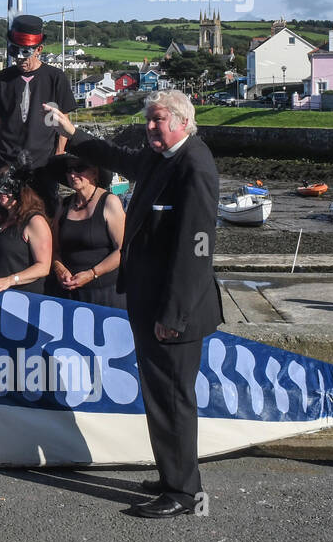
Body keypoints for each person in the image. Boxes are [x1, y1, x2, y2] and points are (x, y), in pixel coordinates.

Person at [44, 90, 223, 518]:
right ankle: (172, 475)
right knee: (159, 395)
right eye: (148, 120)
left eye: (158, 120)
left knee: (174, 398)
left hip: (173, 309)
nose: (149, 127)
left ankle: (182, 494)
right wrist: (71, 132)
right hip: (150, 302)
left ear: (182, 121)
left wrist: (173, 316)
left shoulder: (194, 166)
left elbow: (195, 252)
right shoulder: (160, 158)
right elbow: (116, 155)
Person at [0, 14, 76, 212]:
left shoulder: (56, 78)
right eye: (14, 51)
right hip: (7, 166)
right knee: (7, 221)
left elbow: (64, 124)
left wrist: (58, 157)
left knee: (45, 219)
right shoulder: (1, 79)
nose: (19, 57)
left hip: (43, 166)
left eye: (25, 52)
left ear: (39, 49)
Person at [45, 154, 125, 309]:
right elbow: (54, 249)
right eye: (69, 170)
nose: (73, 174)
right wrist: (59, 268)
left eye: (80, 168)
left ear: (95, 172)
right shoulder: (64, 205)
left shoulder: (110, 202)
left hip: (104, 295)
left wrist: (91, 274)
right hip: (69, 294)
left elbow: (122, 250)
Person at [0, 164, 53, 295]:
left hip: (22, 298)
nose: (2, 193)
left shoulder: (35, 221)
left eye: (8, 188)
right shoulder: (0, 222)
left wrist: (10, 280)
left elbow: (43, 266)